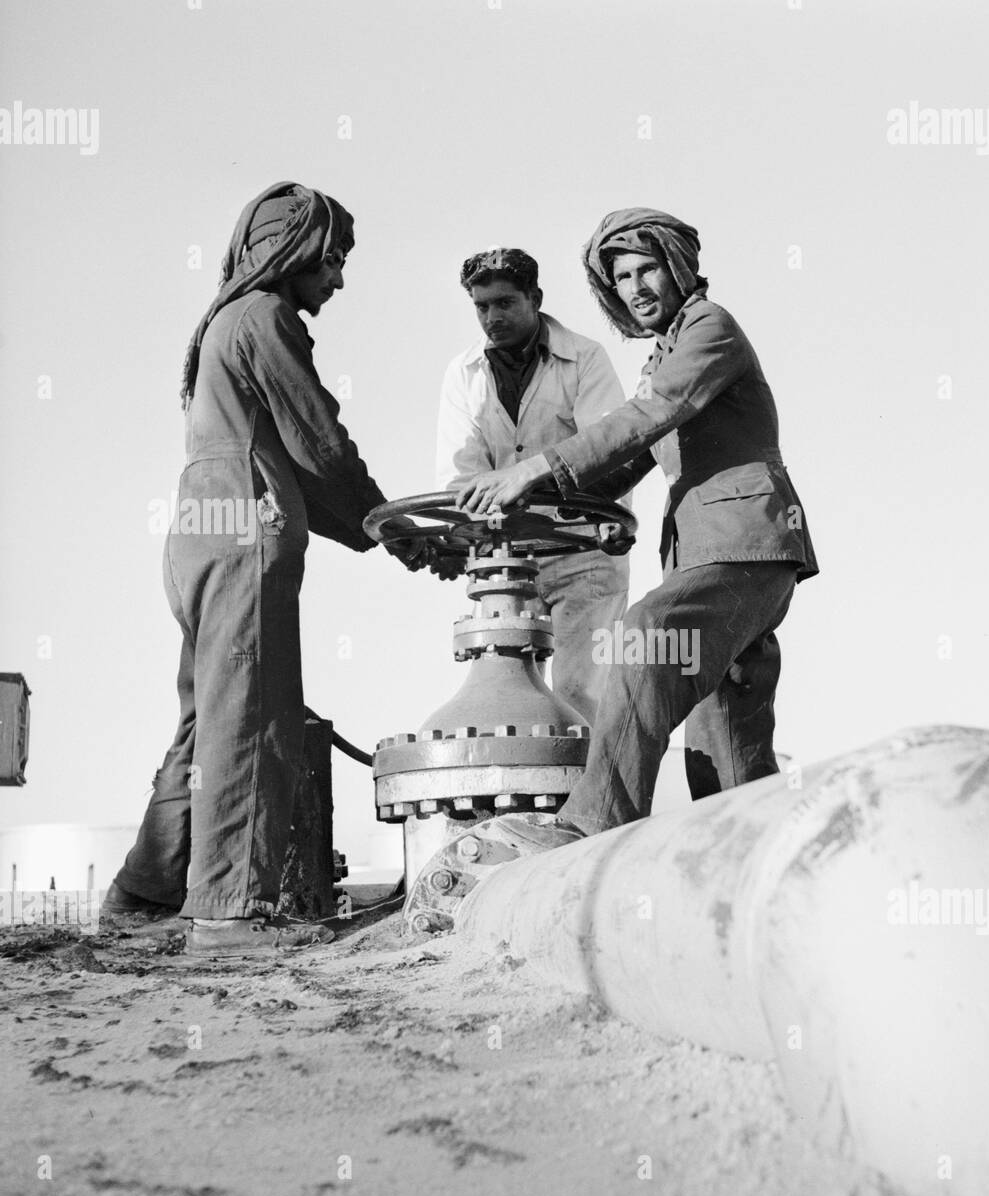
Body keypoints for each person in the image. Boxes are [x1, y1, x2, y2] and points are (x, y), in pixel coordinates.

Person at [100, 181, 430, 953]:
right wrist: (392, 527)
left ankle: (144, 893)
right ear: (295, 249)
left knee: (205, 718)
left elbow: (298, 452)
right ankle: (231, 913)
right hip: (246, 521)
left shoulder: (222, 323)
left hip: (198, 529)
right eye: (334, 260)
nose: (339, 280)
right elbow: (317, 439)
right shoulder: (265, 316)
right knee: (252, 717)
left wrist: (381, 532)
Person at [454, 208, 817, 844]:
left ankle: (592, 827)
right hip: (709, 554)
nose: (637, 288)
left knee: (642, 639)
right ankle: (749, 857)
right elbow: (628, 463)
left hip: (744, 547)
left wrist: (534, 466)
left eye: (648, 269)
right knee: (725, 739)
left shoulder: (710, 330)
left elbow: (650, 417)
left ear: (677, 268)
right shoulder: (665, 355)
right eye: (622, 278)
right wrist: (528, 508)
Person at [437, 247, 630, 724]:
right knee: (503, 695)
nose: (491, 317)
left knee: (579, 693)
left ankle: (591, 798)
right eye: (481, 307)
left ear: (535, 298)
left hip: (581, 549)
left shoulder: (584, 359)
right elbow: (460, 473)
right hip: (509, 557)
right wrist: (463, 531)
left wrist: (528, 482)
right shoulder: (464, 374)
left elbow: (606, 452)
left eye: (504, 303)